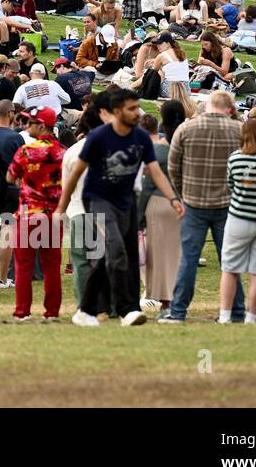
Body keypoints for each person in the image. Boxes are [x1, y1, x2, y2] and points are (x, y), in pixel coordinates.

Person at [57, 88, 185, 327]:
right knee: (114, 248)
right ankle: (127, 310)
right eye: (131, 108)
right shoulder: (98, 138)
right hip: (97, 201)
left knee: (120, 255)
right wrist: (60, 208)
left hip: (126, 202)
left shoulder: (141, 138)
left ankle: (85, 310)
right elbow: (75, 174)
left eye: (137, 107)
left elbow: (155, 172)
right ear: (117, 112)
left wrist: (173, 199)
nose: (137, 113)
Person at [160, 90, 245, 324]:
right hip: (227, 203)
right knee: (229, 261)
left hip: (193, 202)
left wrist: (182, 193)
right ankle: (236, 311)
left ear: (207, 106)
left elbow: (173, 167)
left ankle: (178, 312)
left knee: (188, 259)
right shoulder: (238, 131)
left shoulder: (186, 130)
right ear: (229, 108)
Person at [7, 107, 66, 321]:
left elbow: (9, 177)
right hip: (53, 214)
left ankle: (22, 311)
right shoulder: (63, 152)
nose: (26, 126)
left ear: (42, 126)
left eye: (31, 123)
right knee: (52, 265)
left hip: (28, 214)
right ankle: (52, 312)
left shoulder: (26, 151)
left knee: (23, 265)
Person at [218, 117, 256, 325]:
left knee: (230, 269)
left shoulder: (235, 158)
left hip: (238, 216)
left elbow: (230, 184)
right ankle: (251, 316)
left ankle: (224, 315)